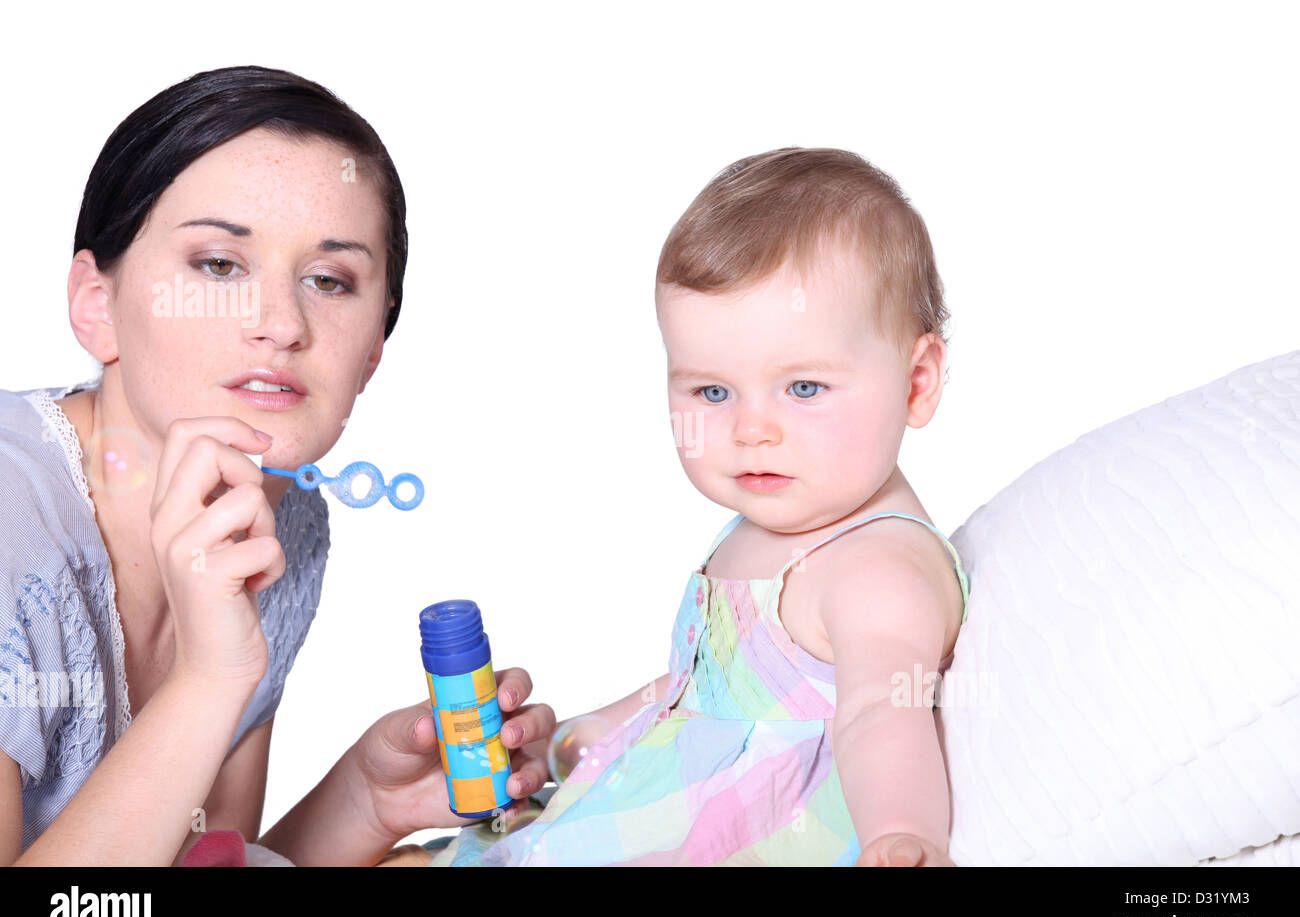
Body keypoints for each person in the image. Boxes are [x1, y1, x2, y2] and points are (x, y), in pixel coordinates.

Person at [0, 65, 555, 866]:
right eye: (219, 266)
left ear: (373, 351)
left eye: (329, 280)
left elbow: (205, 861)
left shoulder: (282, 513)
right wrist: (209, 678)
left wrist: (366, 801)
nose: (282, 324)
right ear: (96, 303)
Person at [435, 147, 968, 866]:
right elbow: (702, 688)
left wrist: (901, 836)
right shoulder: (766, 526)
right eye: (712, 392)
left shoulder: (876, 568)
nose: (752, 429)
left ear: (917, 382)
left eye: (804, 388)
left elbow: (882, 710)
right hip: (646, 811)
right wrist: (588, 737)